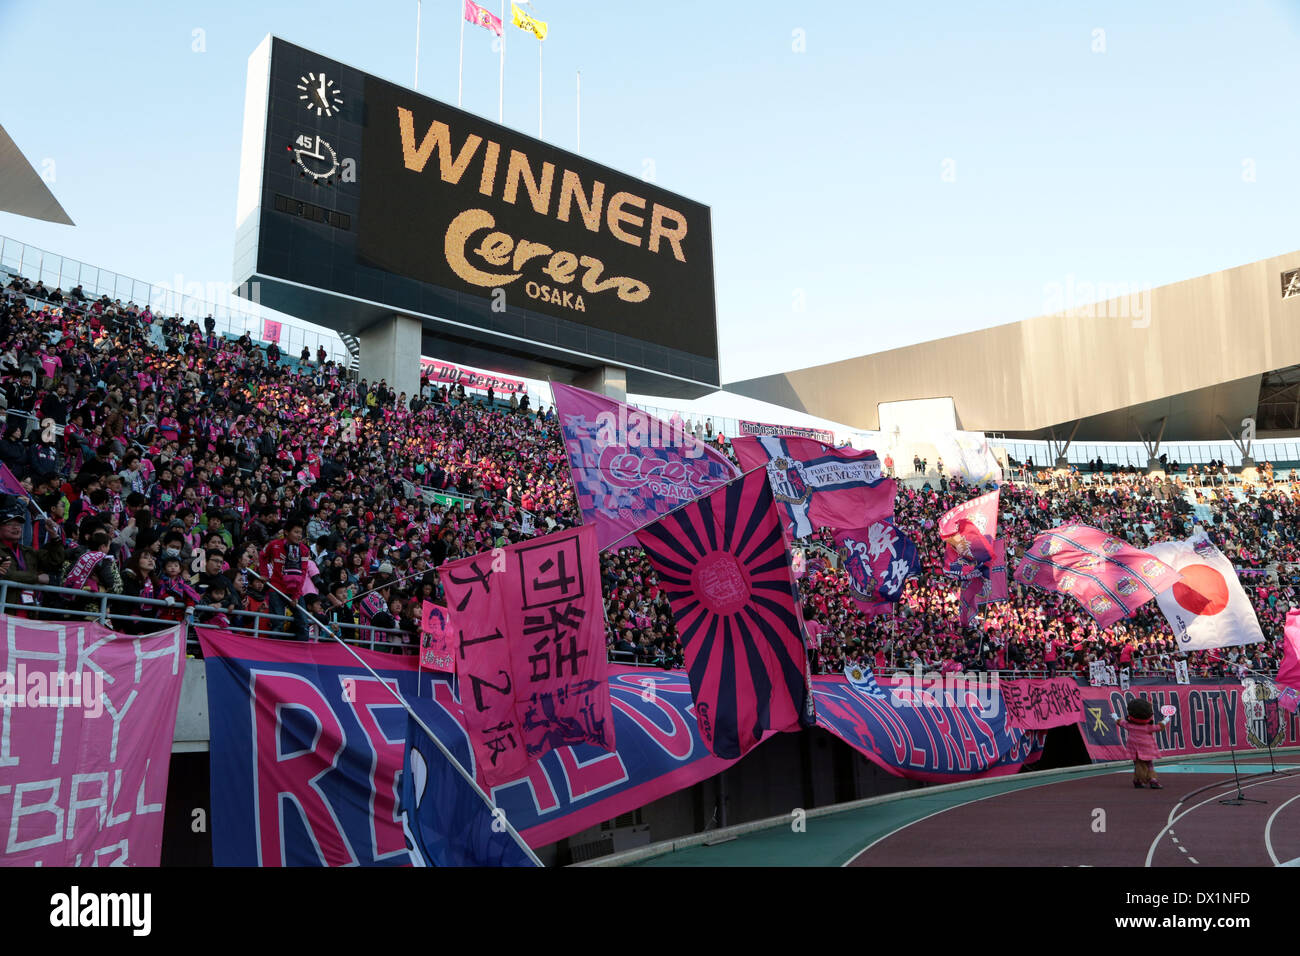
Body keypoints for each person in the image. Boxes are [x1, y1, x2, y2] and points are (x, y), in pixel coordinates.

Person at [1112, 697, 1170, 789]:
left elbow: (1120, 722)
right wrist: (1165, 720)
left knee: (1137, 763)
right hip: (1147, 748)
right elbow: (1159, 727)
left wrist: (1115, 716)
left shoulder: (1129, 725)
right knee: (1149, 763)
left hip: (1134, 747)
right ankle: (1152, 779)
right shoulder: (1148, 727)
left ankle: (1137, 780)